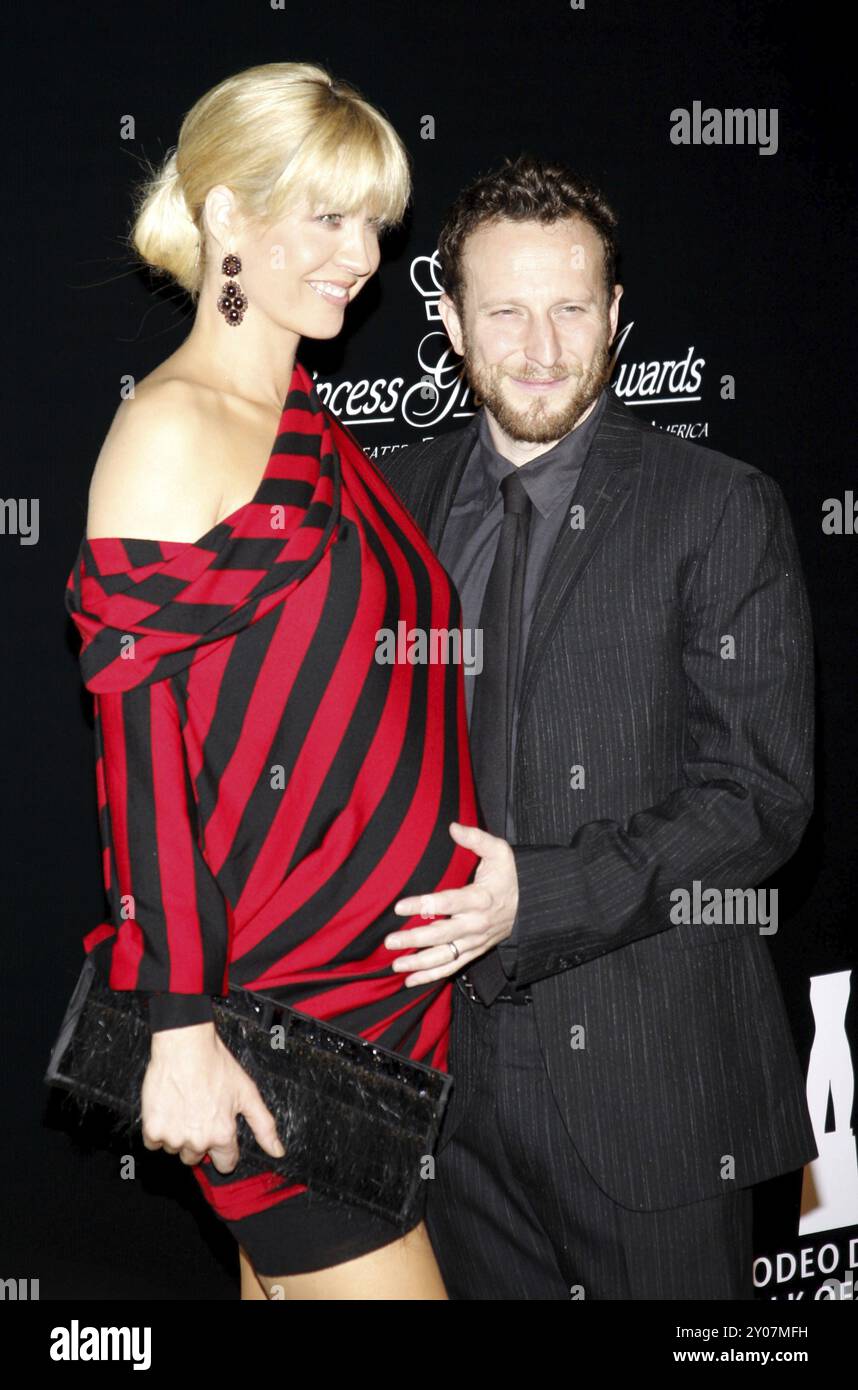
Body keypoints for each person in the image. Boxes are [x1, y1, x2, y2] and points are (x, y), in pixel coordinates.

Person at [63, 61, 486, 1301]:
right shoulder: (173, 429)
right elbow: (141, 771)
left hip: (380, 1010)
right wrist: (181, 1033)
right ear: (226, 216)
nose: (361, 256)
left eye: (372, 222)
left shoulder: (301, 416)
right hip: (266, 1016)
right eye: (327, 215)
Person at [377, 153, 818, 1300]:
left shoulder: (717, 506)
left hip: (654, 1078)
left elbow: (760, 799)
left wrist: (541, 894)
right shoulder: (391, 500)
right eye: (505, 311)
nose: (539, 346)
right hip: (441, 1083)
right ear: (451, 322)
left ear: (616, 315)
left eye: (572, 307)